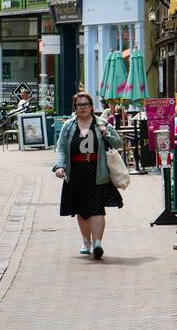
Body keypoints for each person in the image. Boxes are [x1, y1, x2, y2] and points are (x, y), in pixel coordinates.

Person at [53, 92, 124, 260]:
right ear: (75, 107)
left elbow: (118, 142)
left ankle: (97, 243)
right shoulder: (69, 126)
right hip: (76, 173)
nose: (82, 107)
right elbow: (61, 148)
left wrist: (106, 134)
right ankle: (86, 241)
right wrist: (60, 166)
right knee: (81, 210)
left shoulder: (101, 123)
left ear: (91, 106)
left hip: (98, 173)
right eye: (79, 105)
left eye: (85, 104)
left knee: (97, 208)